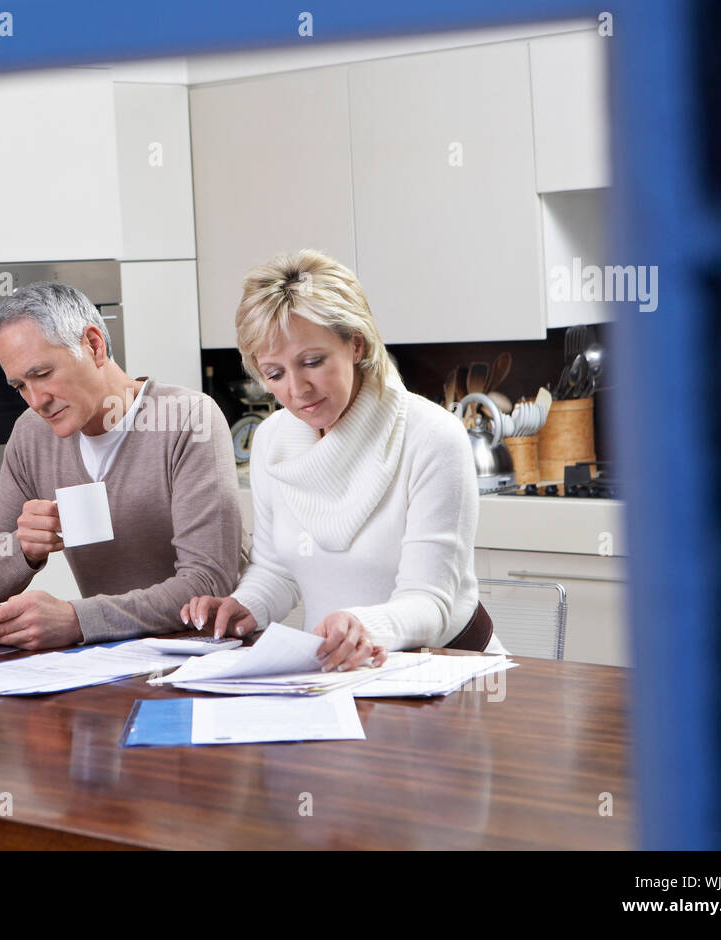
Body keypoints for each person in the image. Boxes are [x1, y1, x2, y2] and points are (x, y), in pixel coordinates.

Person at [180, 249, 505, 671]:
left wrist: (363, 626)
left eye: (312, 362)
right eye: (274, 374)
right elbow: (276, 570)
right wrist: (246, 606)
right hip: (335, 676)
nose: (297, 389)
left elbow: (431, 603)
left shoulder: (432, 437)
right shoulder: (272, 444)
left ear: (356, 343)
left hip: (442, 673)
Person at [0, 280, 243, 649]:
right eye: (20, 386)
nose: (36, 401)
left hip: (205, 658)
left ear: (94, 345)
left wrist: (79, 620)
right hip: (108, 664)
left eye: (43, 374)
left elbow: (207, 584)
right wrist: (22, 549)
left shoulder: (187, 420)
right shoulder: (32, 436)